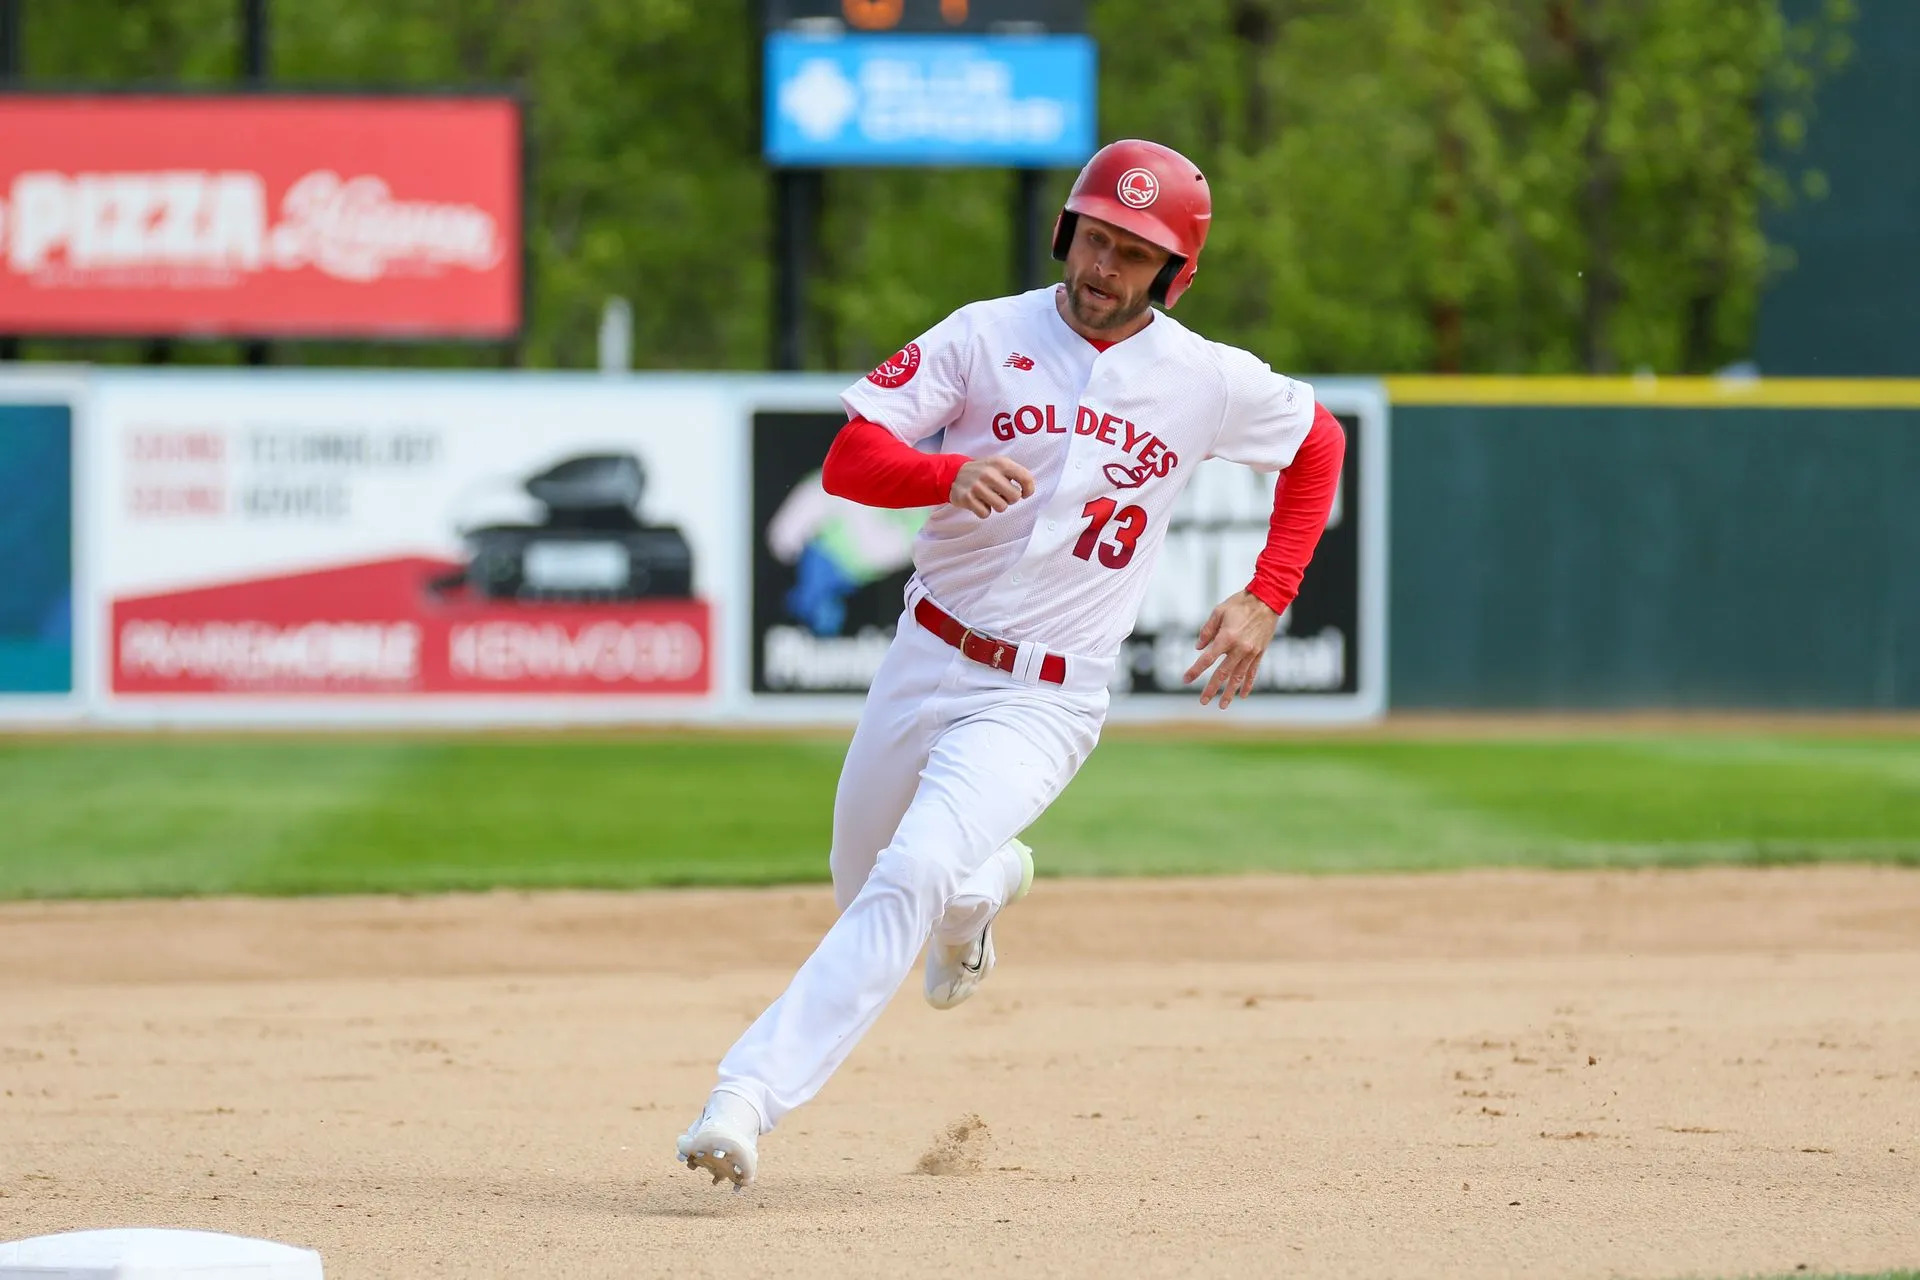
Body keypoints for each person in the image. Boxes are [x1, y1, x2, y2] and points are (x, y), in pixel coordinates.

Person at [676, 139, 1347, 1190]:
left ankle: (744, 1097)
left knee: (904, 872)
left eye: (1135, 252)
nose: (1105, 266)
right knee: (866, 884)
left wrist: (1269, 592)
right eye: (1096, 237)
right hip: (925, 653)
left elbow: (1319, 443)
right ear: (1065, 231)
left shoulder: (1204, 379)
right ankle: (985, 886)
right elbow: (853, 457)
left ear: (1174, 273)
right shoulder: (985, 334)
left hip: (1045, 694)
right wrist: (945, 471)